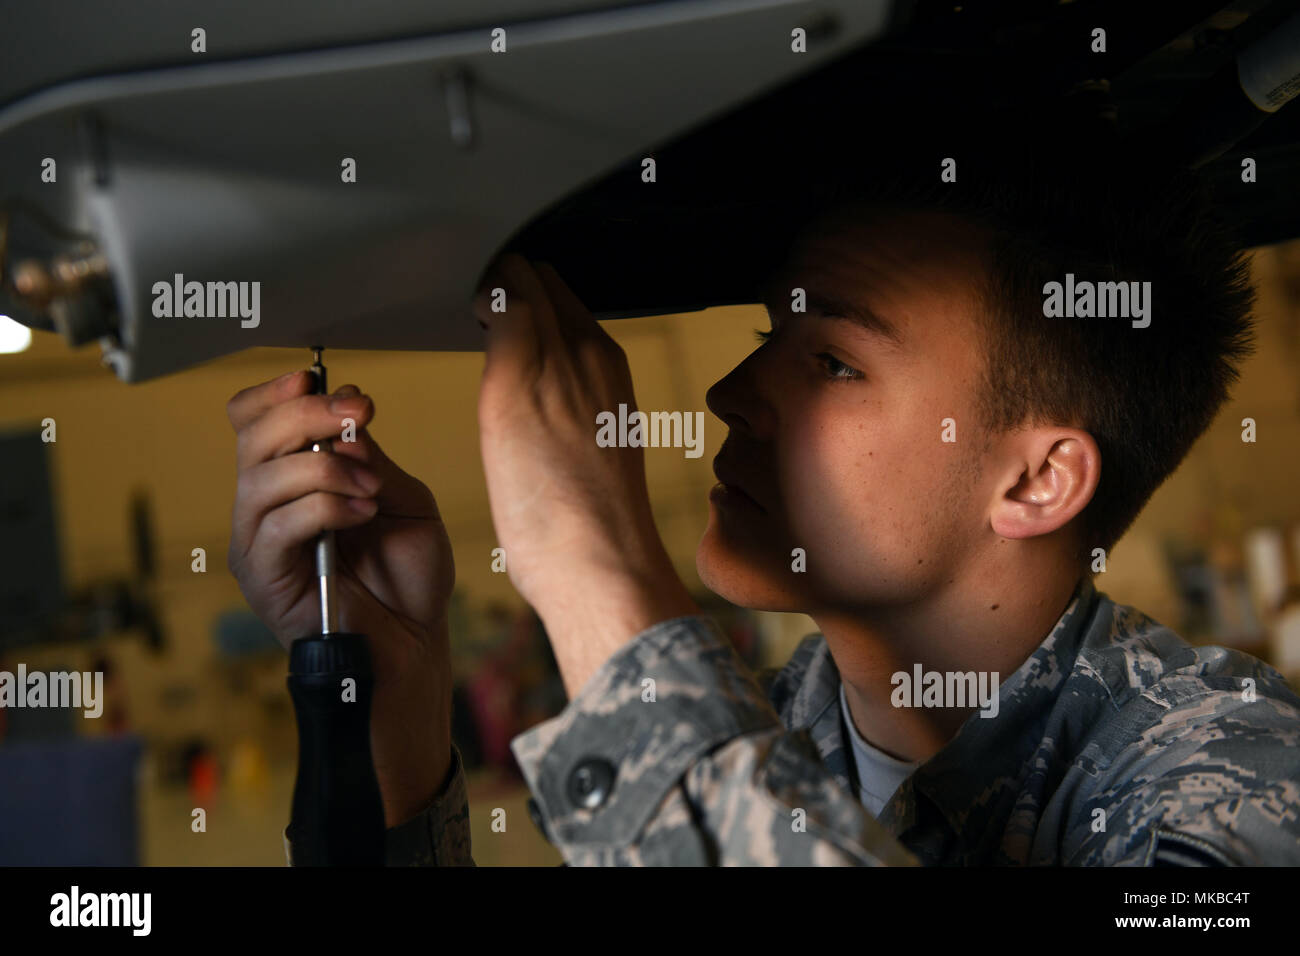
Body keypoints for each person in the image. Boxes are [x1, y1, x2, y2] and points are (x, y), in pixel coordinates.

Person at [226, 141, 1300, 866]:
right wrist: (398, 708)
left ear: (1035, 479)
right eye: (762, 341)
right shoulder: (776, 726)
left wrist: (598, 571)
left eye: (831, 360)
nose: (730, 395)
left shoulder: (1233, 782)